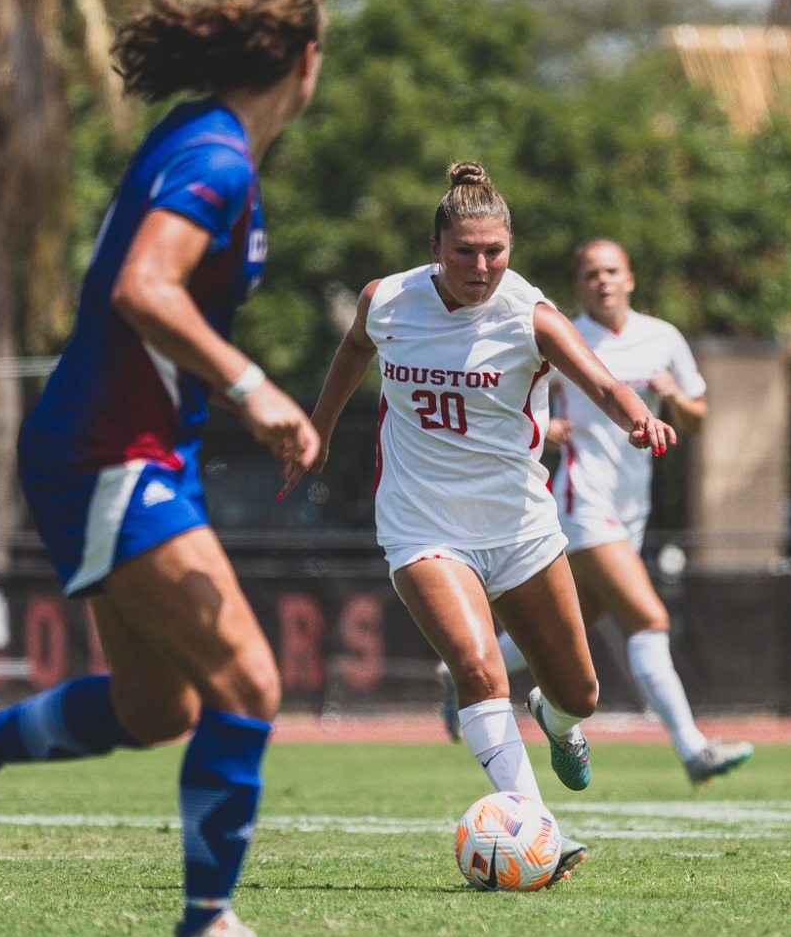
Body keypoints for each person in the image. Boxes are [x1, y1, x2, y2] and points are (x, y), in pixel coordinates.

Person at [0, 0, 324, 937]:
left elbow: (140, 305)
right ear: (304, 62)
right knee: (250, 681)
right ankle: (206, 930)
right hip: (111, 450)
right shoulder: (215, 157)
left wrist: (225, 396)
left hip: (130, 445)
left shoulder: (202, 139)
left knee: (159, 709)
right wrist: (251, 382)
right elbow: (142, 287)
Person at [287, 163, 676, 883]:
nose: (481, 265)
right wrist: (317, 431)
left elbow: (597, 377)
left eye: (495, 250)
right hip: (421, 524)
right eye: (465, 250)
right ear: (436, 245)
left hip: (521, 527)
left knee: (580, 693)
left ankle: (557, 724)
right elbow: (352, 351)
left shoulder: (528, 314)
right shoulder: (388, 300)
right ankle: (539, 830)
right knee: (474, 665)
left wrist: (637, 418)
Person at [439, 241, 752, 784]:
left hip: (631, 513)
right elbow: (515, 393)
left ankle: (460, 666)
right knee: (649, 619)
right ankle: (692, 749)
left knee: (565, 634)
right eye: (590, 274)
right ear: (579, 284)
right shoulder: (564, 332)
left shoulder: (663, 339)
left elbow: (698, 422)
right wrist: (546, 431)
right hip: (580, 504)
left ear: (629, 279)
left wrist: (675, 397)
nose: (602, 281)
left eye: (611, 272)